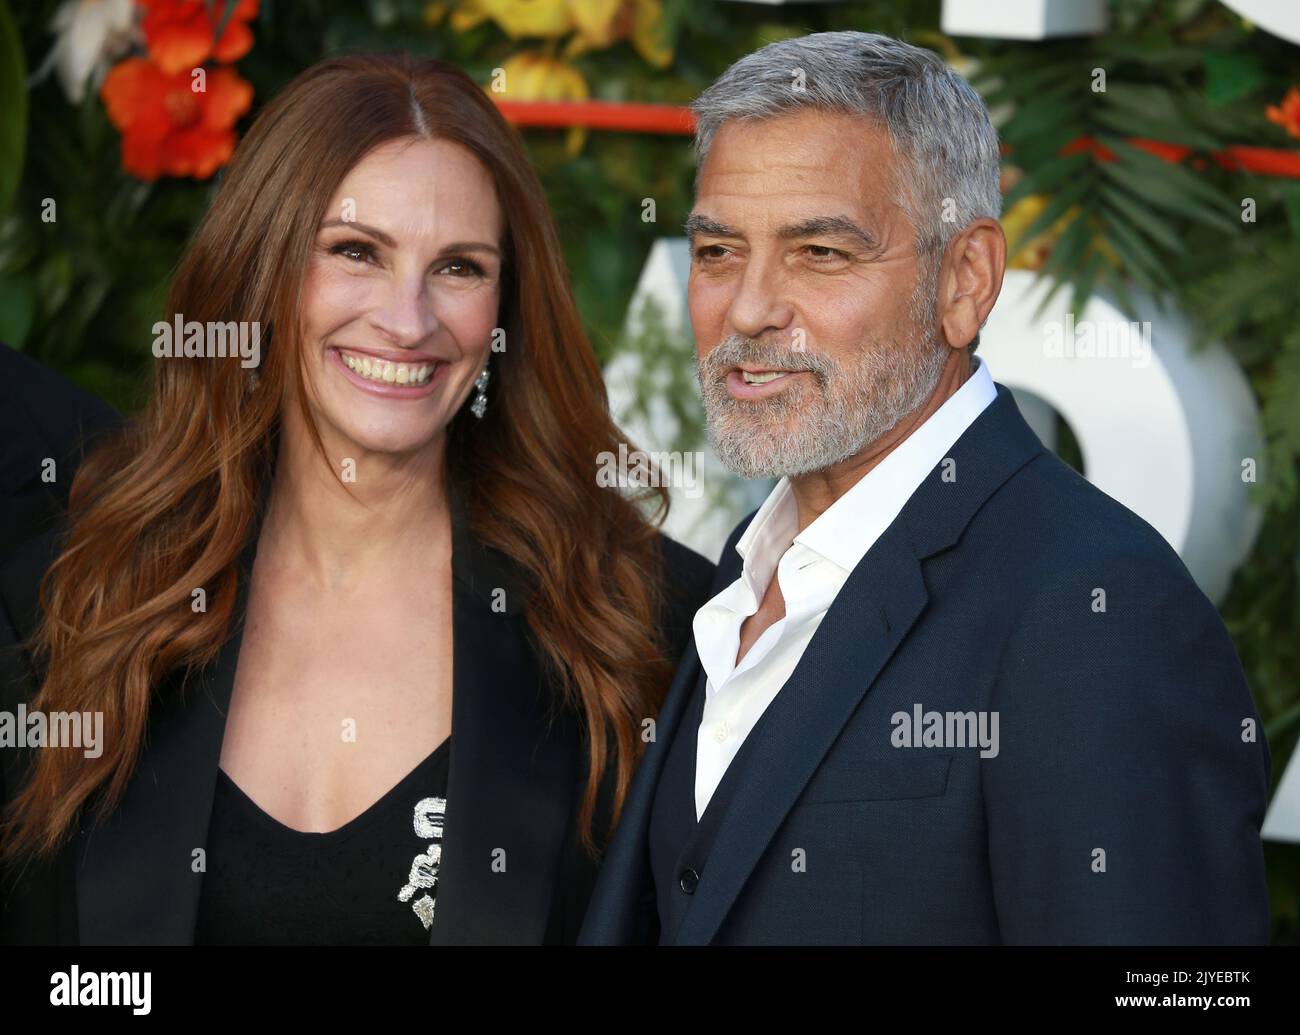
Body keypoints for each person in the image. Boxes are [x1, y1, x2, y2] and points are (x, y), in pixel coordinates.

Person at [0, 52, 713, 945]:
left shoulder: (637, 624)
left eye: (458, 267)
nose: (406, 320)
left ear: (506, 309)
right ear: (262, 266)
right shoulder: (80, 590)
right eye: (355, 251)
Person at [578, 31, 1271, 945]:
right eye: (716, 251)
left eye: (819, 252)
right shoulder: (745, 566)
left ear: (966, 278)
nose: (746, 309)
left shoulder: (1099, 614)